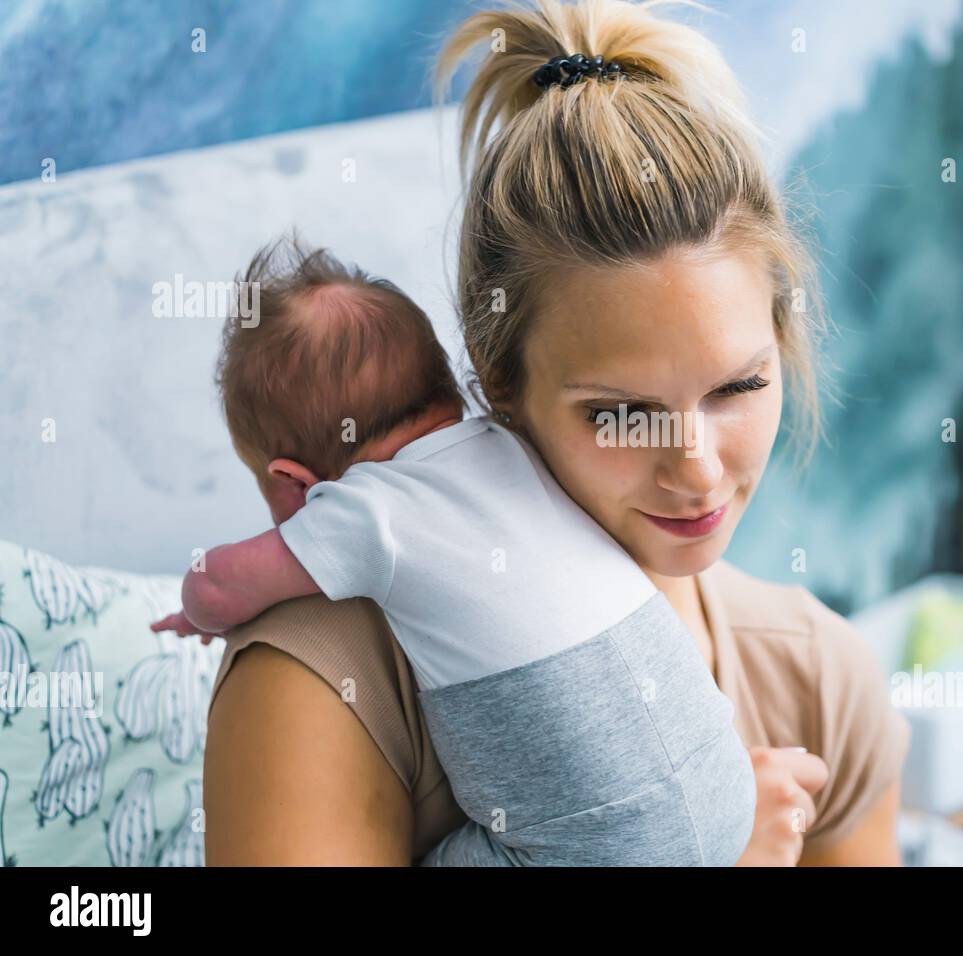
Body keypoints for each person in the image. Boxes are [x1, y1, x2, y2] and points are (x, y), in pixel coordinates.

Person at [204, 0, 910, 866]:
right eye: (620, 412)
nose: (695, 469)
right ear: (497, 381)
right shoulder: (326, 676)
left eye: (738, 386)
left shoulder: (820, 679)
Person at [161, 236, 756, 866]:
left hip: (598, 850)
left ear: (294, 482)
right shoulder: (522, 447)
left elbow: (219, 583)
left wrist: (197, 613)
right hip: (728, 780)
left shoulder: (363, 510)